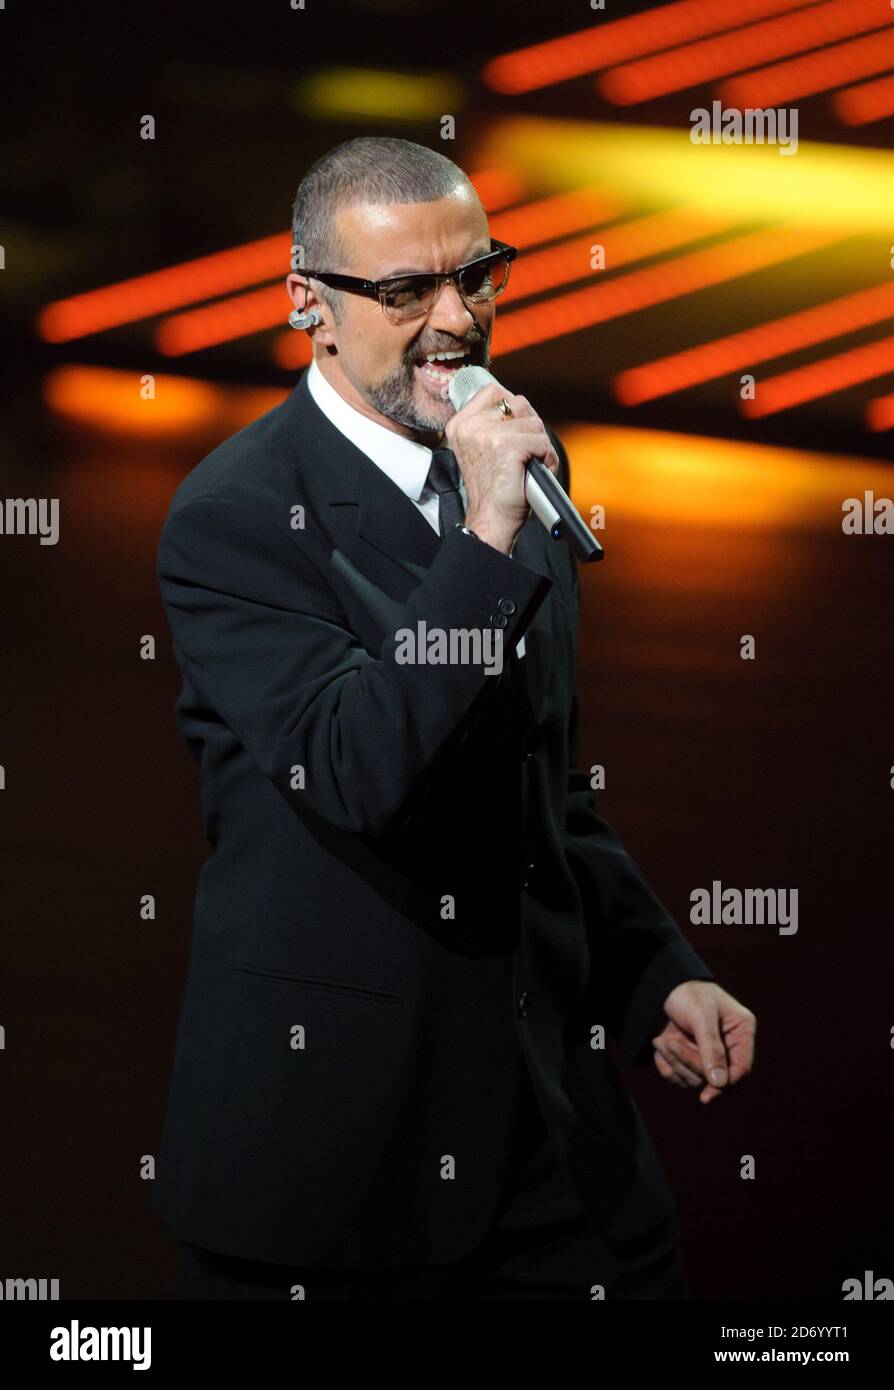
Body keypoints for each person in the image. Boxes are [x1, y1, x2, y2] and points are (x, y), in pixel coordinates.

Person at [152, 135, 756, 1300]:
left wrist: (649, 974)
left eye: (475, 276)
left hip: (548, 1137)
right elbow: (358, 771)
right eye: (403, 291)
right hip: (339, 1167)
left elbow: (537, 783)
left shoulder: (514, 465)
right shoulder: (234, 518)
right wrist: (481, 543)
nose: (455, 320)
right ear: (305, 304)